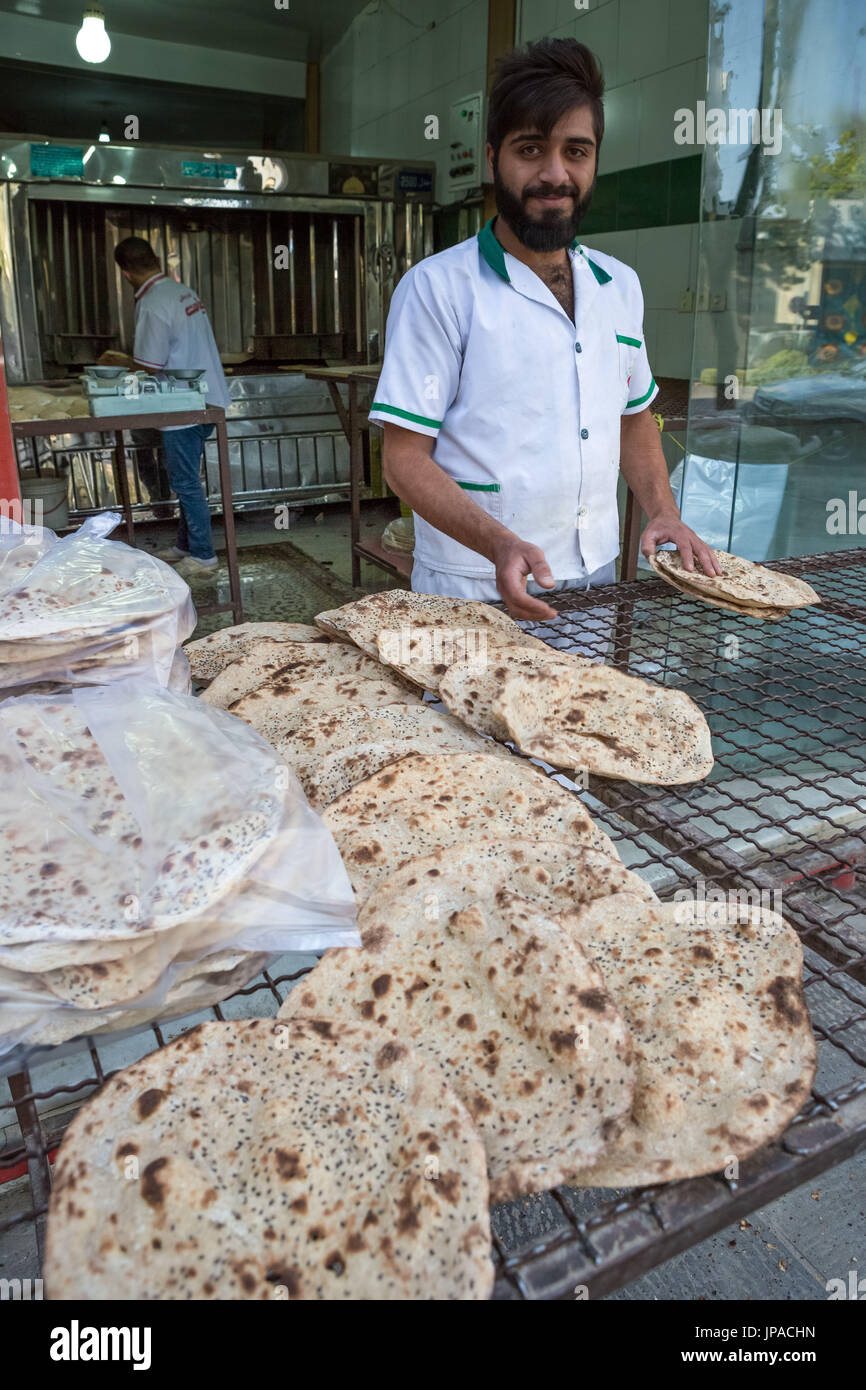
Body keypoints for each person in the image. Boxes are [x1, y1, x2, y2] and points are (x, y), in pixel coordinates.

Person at [369, 38, 720, 620]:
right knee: (469, 715)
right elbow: (403, 461)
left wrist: (663, 510)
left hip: (596, 577)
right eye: (530, 149)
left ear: (595, 160)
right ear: (493, 159)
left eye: (576, 151)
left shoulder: (619, 285)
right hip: (475, 587)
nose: (555, 174)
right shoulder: (439, 289)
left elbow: (633, 420)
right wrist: (499, 542)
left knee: (585, 713)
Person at [99, 236, 231, 570]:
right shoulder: (180, 291)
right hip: (205, 397)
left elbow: (150, 365)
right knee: (188, 480)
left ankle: (204, 555)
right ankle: (186, 546)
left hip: (184, 405)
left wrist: (116, 359)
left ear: (126, 273)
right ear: (155, 259)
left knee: (185, 483)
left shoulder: (154, 302)